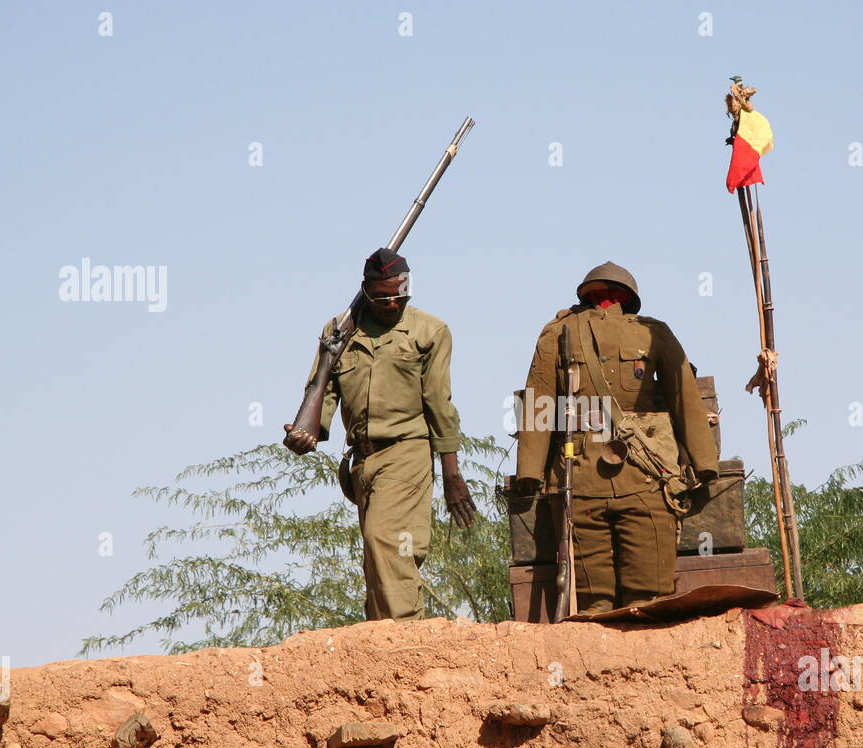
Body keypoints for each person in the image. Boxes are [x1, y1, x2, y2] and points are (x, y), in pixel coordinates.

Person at [514, 261, 719, 614]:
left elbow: (537, 404)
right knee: (643, 595)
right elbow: (685, 399)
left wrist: (529, 471)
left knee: (605, 599)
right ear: (629, 297)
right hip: (613, 479)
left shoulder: (646, 333)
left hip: (622, 474)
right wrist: (705, 463)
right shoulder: (568, 334)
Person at [283, 248, 475, 620]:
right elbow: (324, 389)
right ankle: (384, 647)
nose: (392, 303)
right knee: (375, 557)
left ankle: (408, 636)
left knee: (388, 541)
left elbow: (440, 404)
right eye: (382, 297)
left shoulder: (430, 331)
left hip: (407, 451)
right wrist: (306, 433)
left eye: (399, 296)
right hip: (361, 460)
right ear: (365, 291)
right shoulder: (338, 331)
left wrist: (452, 473)